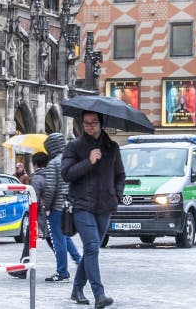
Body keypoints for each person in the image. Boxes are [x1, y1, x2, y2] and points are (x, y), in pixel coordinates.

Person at [61, 111, 124, 308]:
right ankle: (99, 294)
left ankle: (77, 289)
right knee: (91, 246)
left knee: (92, 249)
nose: (90, 126)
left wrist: (117, 195)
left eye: (94, 123)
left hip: (105, 205)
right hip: (81, 204)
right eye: (86, 123)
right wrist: (89, 161)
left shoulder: (112, 147)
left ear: (101, 124)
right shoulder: (74, 146)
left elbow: (120, 175)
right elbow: (66, 174)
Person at [42, 132, 82, 283]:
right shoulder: (70, 161)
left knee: (58, 240)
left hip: (57, 207)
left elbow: (51, 188)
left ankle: (62, 272)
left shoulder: (53, 163)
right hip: (69, 205)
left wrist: (47, 206)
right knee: (65, 237)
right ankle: (80, 262)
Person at [10, 152, 50, 279]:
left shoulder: (36, 178)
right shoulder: (49, 175)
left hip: (40, 216)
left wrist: (32, 214)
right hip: (44, 215)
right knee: (32, 241)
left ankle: (65, 269)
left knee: (55, 242)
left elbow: (35, 199)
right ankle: (23, 268)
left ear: (34, 164)